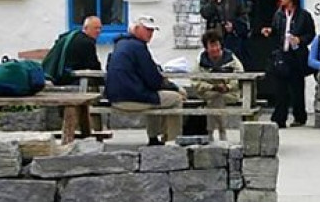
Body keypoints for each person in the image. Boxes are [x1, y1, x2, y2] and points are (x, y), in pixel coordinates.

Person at [105, 16, 185, 145]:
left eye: (152, 31)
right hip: (131, 98)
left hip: (115, 97)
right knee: (175, 98)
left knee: (155, 97)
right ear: (136, 29)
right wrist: (174, 88)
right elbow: (153, 79)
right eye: (147, 30)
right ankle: (172, 141)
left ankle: (154, 138)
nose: (150, 34)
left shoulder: (120, 44)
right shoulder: (138, 47)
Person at [260, 0, 315, 129]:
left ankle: (299, 116)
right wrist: (269, 31)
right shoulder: (279, 15)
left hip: (296, 55)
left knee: (297, 87)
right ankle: (280, 118)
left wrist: (300, 40)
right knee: (280, 88)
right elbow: (276, 31)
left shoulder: (304, 15)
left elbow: (311, 34)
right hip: (281, 54)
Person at [192, 29, 244, 138]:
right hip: (208, 92)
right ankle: (221, 132)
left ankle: (211, 132)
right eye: (211, 46)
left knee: (217, 98)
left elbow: (240, 77)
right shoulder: (200, 61)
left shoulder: (231, 58)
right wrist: (212, 87)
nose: (215, 49)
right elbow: (196, 82)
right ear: (206, 48)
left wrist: (228, 87)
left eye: (216, 45)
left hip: (230, 93)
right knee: (215, 97)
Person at [199, 0, 250, 64]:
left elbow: (244, 18)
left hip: (232, 41)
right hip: (214, 40)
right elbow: (205, 14)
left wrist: (233, 26)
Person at [43, 16, 102, 84]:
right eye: (95, 28)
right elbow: (94, 66)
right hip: (71, 80)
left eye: (100, 28)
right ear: (86, 28)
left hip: (57, 77)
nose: (98, 31)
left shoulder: (70, 36)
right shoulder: (87, 42)